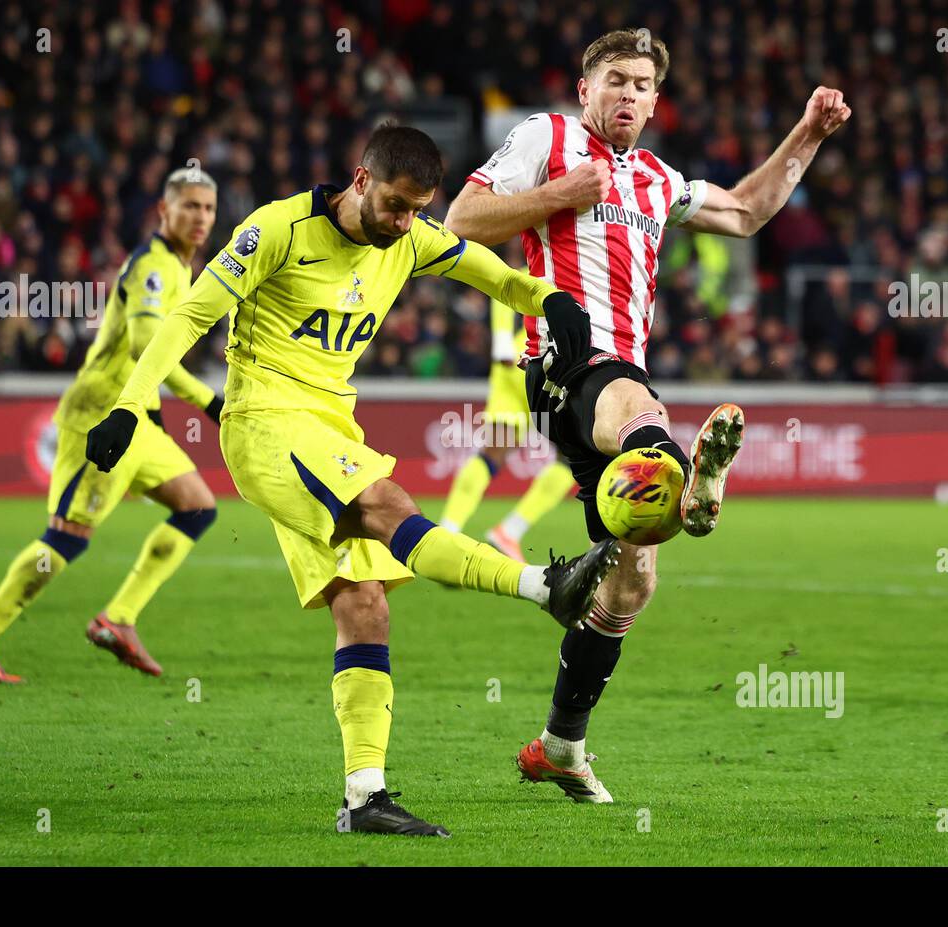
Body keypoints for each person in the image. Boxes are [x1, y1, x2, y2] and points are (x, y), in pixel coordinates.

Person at [85, 125, 620, 837]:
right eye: (397, 206)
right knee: (387, 504)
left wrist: (547, 300)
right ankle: (542, 588)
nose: (405, 223)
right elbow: (192, 315)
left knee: (364, 605)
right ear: (361, 181)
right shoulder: (277, 228)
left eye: (416, 209)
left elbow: (487, 273)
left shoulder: (409, 237)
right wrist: (129, 404)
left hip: (330, 429)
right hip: (266, 422)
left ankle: (365, 798)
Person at [445, 27, 851, 802]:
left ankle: (560, 745)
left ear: (656, 102)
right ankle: (688, 474)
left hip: (616, 382)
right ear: (585, 90)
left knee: (633, 579)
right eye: (616, 80)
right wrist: (558, 196)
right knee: (636, 402)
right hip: (566, 364)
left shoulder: (660, 180)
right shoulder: (548, 137)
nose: (629, 94)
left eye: (642, 86)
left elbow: (743, 213)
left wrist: (808, 135)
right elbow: (463, 218)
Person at [0, 169, 226, 683]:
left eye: (208, 208)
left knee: (198, 508)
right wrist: (210, 401)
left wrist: (162, 416)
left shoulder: (185, 269)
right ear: (164, 211)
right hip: (103, 416)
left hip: (139, 419)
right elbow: (145, 347)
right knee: (67, 539)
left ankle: (118, 620)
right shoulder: (154, 268)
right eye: (189, 206)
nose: (200, 217)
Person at [438, 283, 577, 561]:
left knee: (492, 454)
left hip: (515, 356)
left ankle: (446, 534)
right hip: (551, 363)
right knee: (572, 458)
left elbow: (504, 286)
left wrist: (502, 340)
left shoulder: (535, 262)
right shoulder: (575, 264)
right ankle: (509, 531)